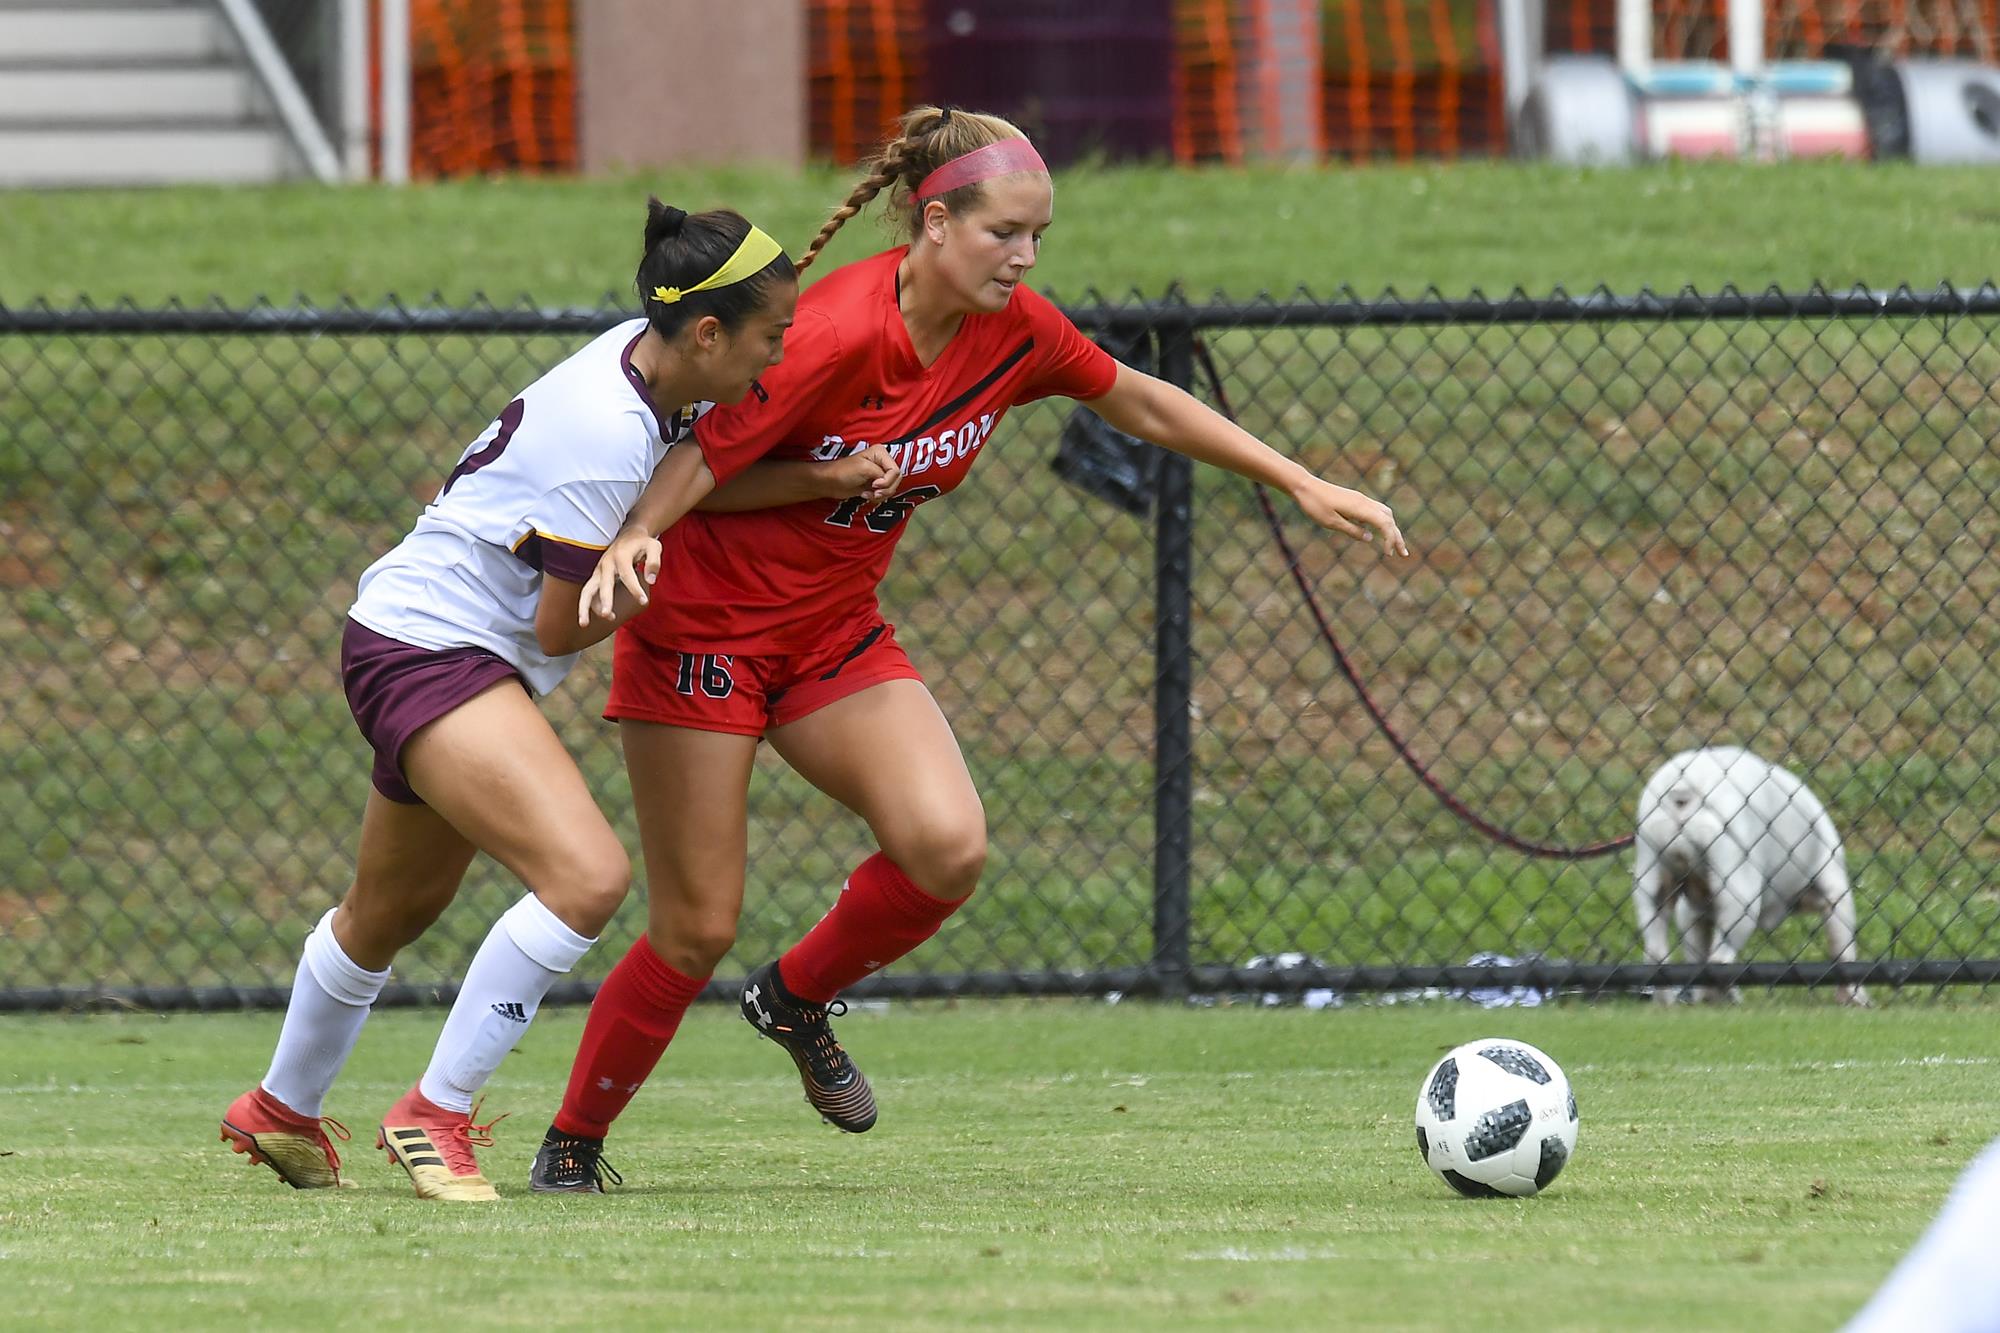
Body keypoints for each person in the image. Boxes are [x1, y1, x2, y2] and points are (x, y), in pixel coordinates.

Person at [525, 105, 1409, 1193]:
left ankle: (794, 998)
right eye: (1004, 233)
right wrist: (635, 537)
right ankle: (573, 1142)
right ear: (934, 223)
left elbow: (1137, 399)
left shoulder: (1013, 330)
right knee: (695, 925)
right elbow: (700, 463)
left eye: (1038, 235)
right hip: (706, 632)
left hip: (831, 633)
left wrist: (1298, 479)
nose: (1025, 256)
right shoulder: (834, 331)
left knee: (945, 849)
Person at [218, 201, 826, 1202]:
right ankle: (434, 1112)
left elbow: (679, 482)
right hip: (433, 650)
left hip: (408, 634)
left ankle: (280, 1107)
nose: (779, 357)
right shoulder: (605, 429)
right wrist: (630, 591)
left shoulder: (645, 362)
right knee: (585, 877)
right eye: (771, 336)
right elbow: (557, 627)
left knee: (392, 907)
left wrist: (814, 476)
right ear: (709, 334)